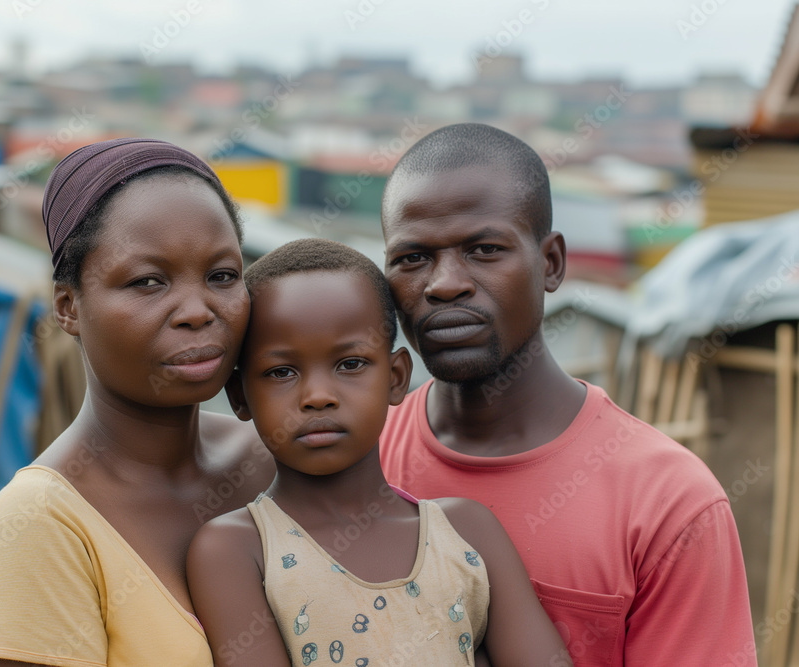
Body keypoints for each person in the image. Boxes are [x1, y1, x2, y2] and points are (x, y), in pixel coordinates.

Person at [378, 123, 757, 666]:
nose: (444, 283)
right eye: (412, 258)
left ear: (550, 263)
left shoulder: (667, 503)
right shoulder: (360, 462)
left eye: (484, 249)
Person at [186, 238, 571, 667]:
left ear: (396, 378)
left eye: (350, 364)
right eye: (282, 371)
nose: (317, 397)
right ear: (240, 396)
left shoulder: (466, 533)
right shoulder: (238, 551)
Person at [0, 138, 274, 666]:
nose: (197, 310)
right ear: (68, 307)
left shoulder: (271, 460)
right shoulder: (42, 525)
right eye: (148, 281)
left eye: (222, 276)